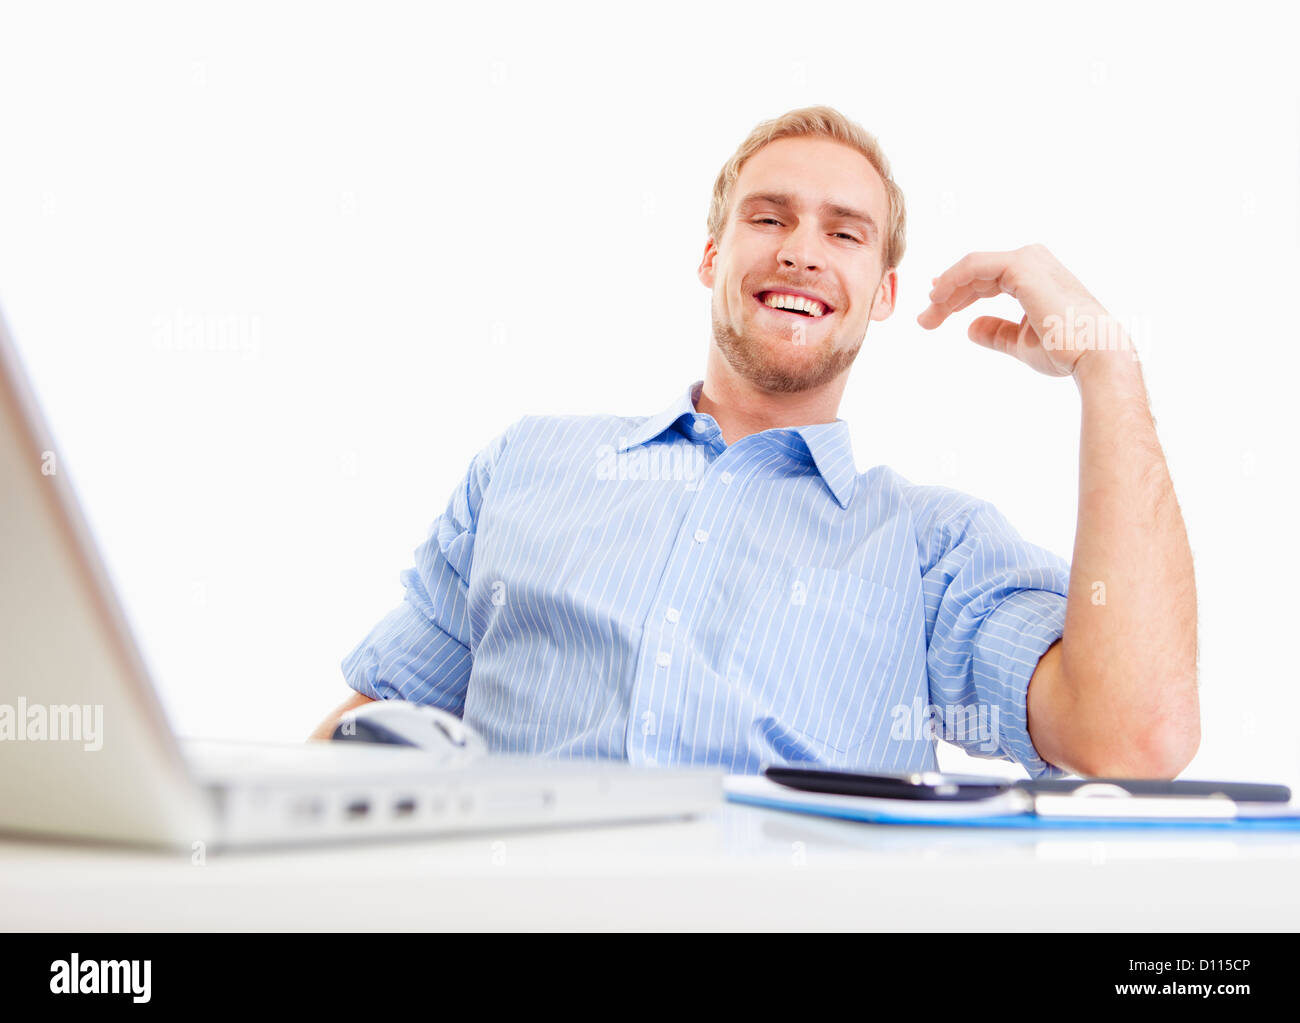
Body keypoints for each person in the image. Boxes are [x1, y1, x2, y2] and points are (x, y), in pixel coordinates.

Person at [310, 105, 1199, 779]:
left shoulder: (931, 550)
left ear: (883, 291)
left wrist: (1108, 369)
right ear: (710, 256)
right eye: (769, 218)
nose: (802, 253)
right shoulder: (525, 469)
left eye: (844, 233)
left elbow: (1134, 734)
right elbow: (363, 737)